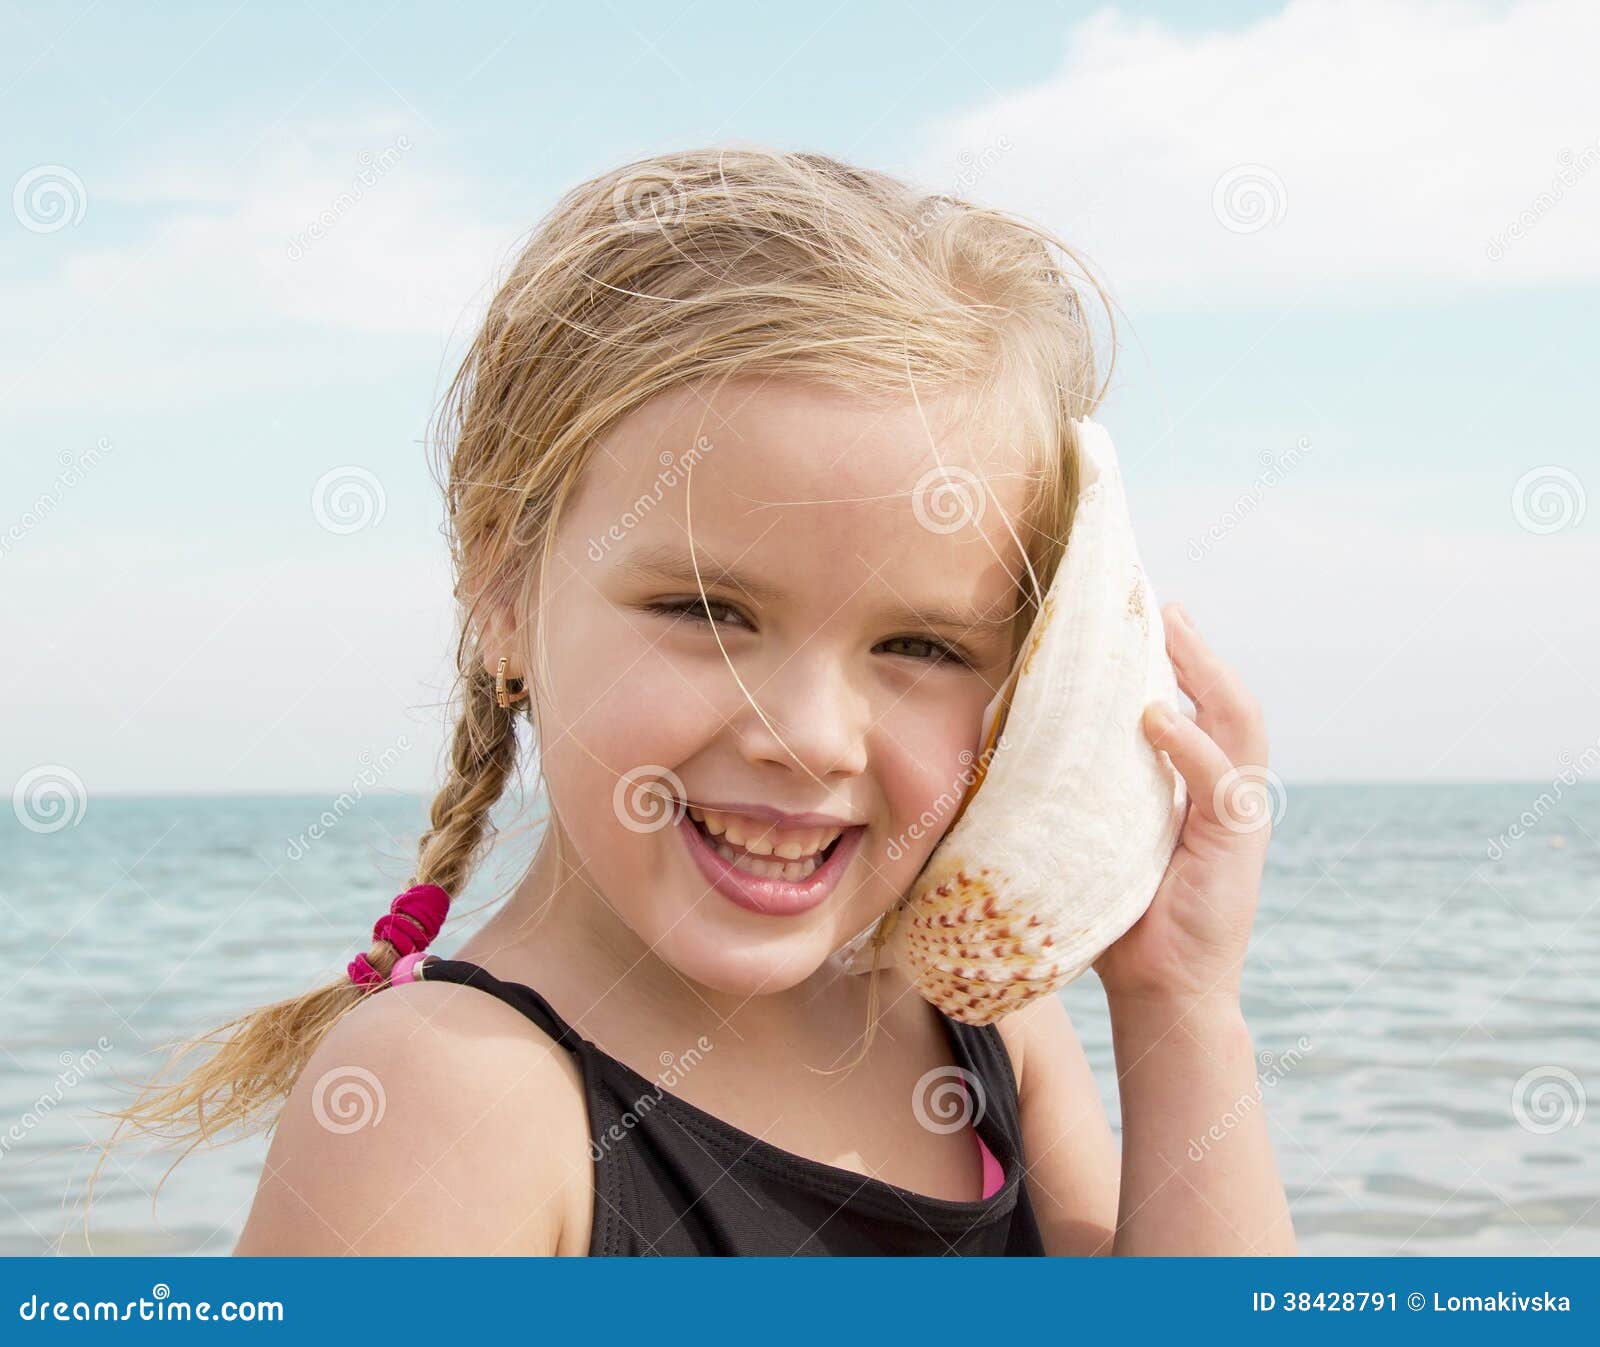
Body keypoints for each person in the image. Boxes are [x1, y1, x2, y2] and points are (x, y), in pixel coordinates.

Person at [98, 146, 1292, 1256]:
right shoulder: (454, 1101)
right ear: (502, 590)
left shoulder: (972, 1030)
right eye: (705, 615)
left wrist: (1178, 1002)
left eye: (921, 643)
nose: (809, 737)